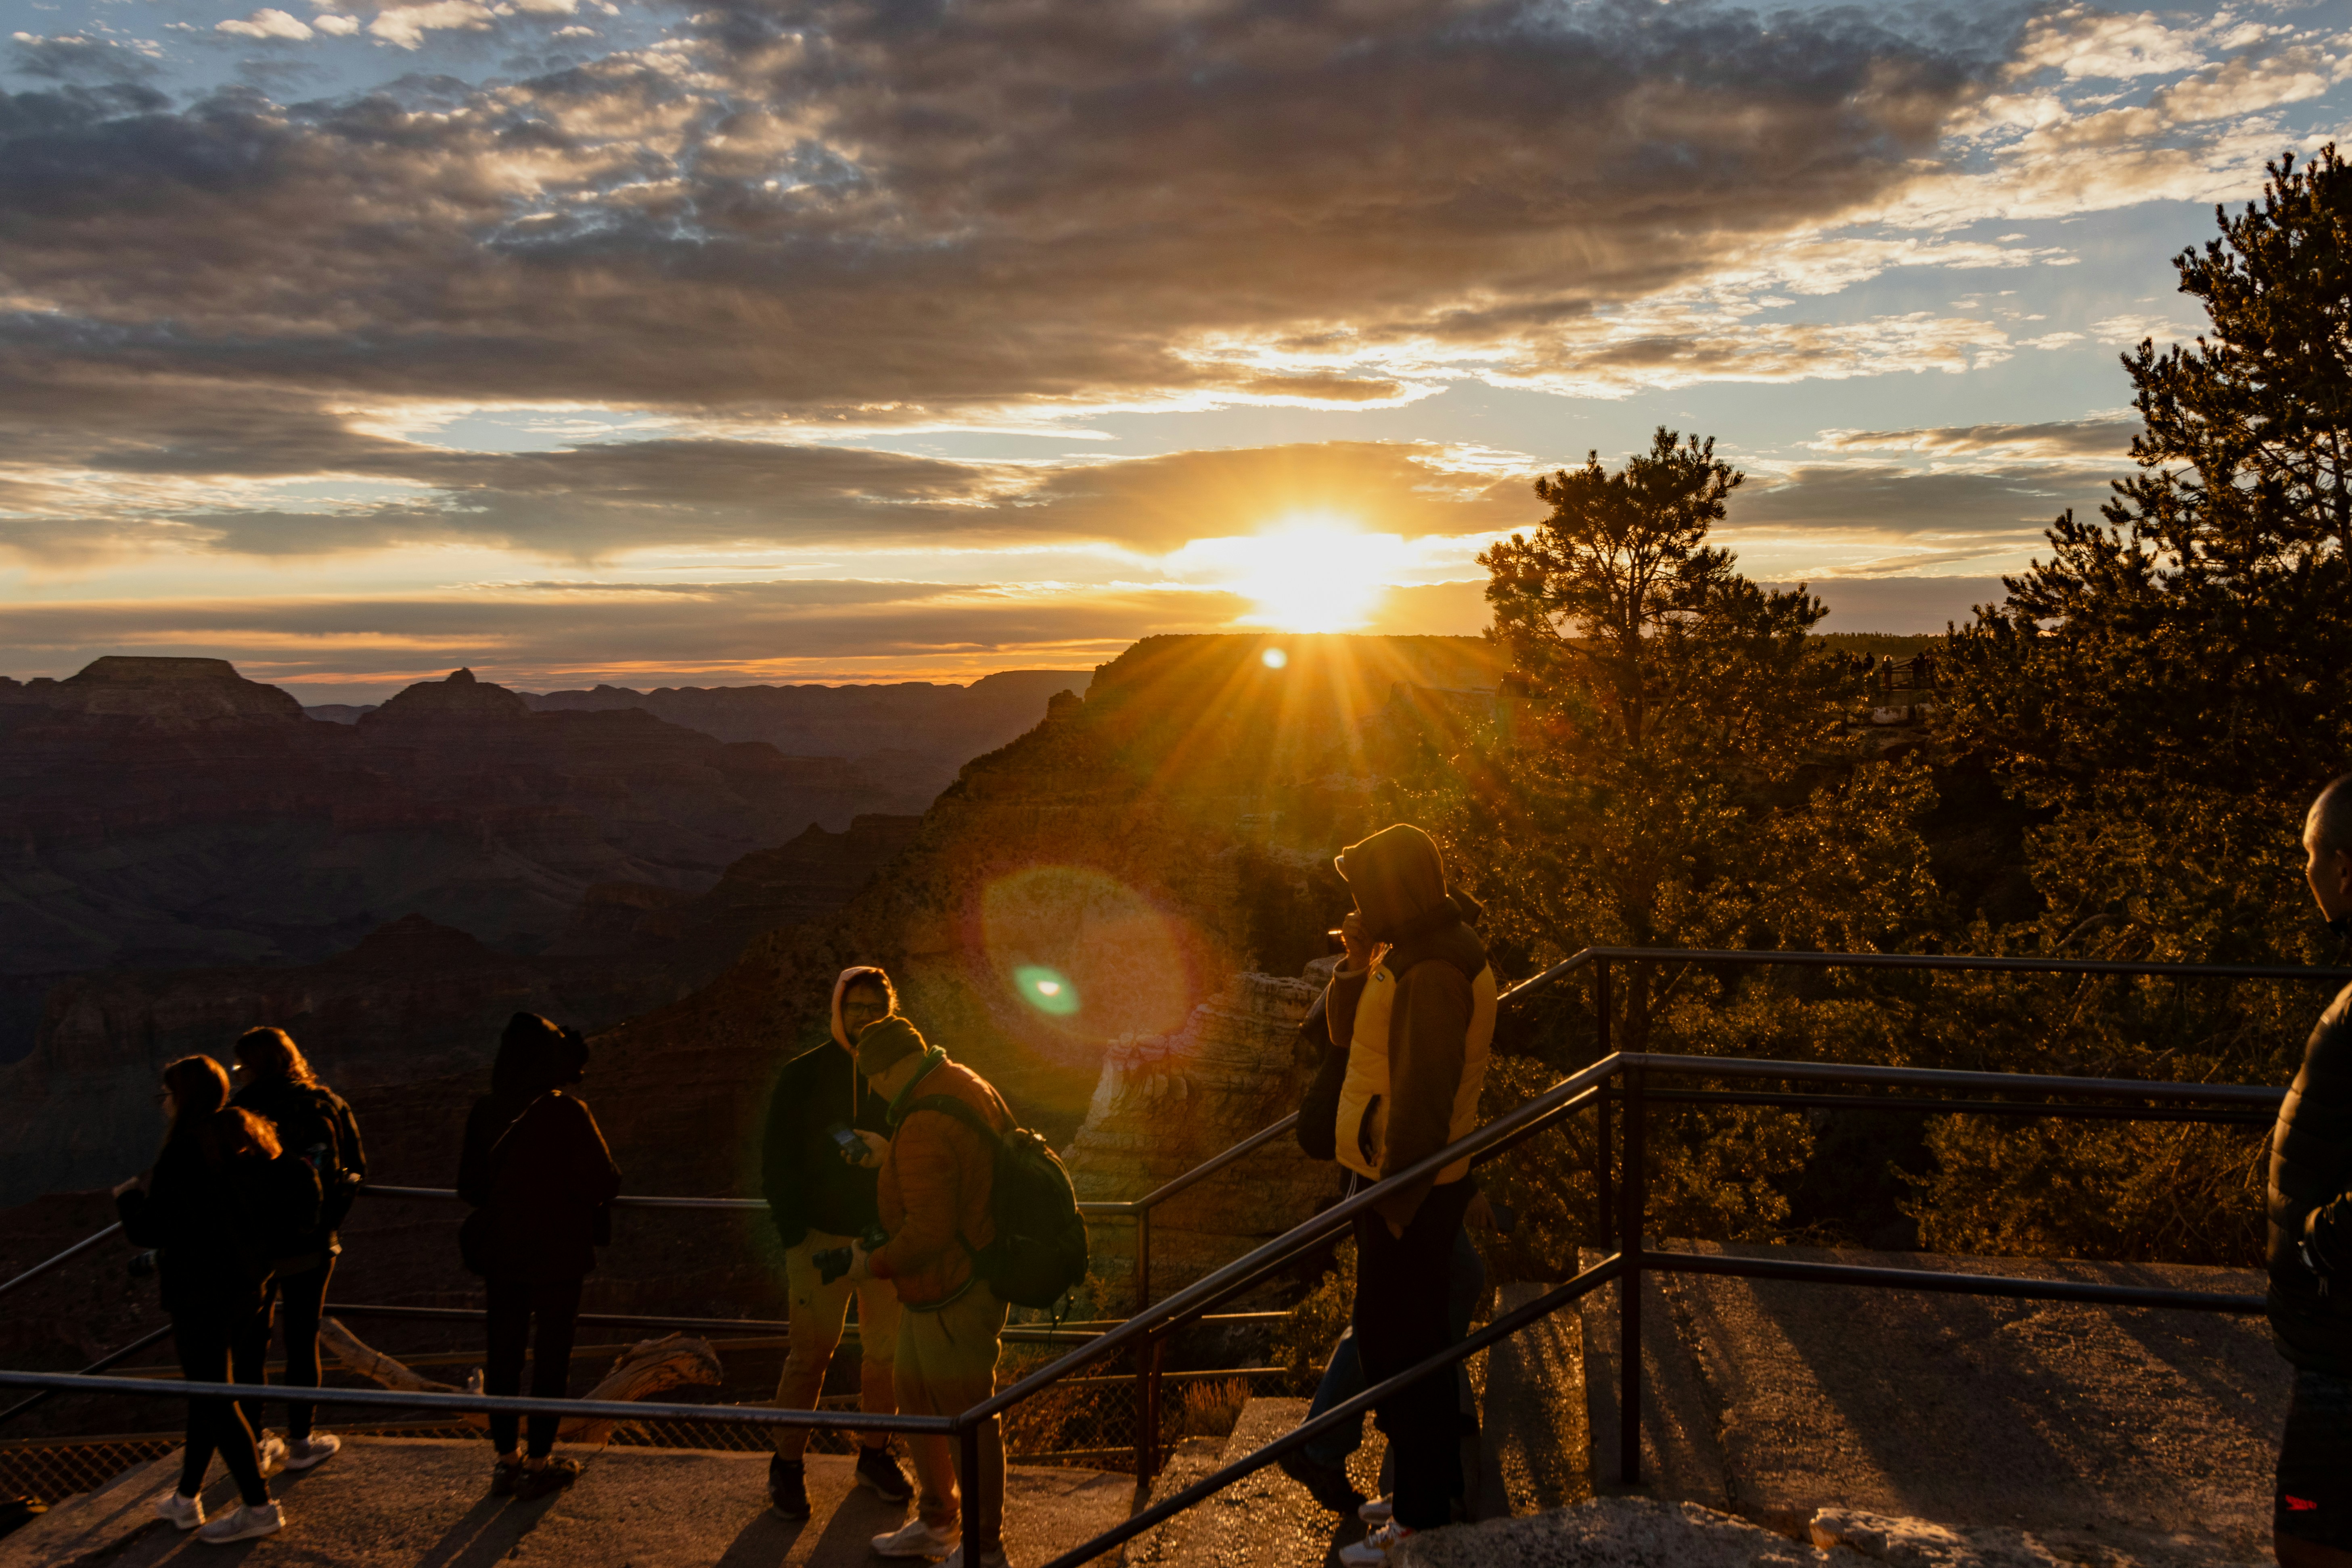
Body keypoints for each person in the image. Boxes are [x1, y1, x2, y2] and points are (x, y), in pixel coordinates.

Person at [1317, 824, 1496, 1564]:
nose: (1356, 904)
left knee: (1403, 1354)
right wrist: (1357, 963)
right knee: (1408, 1345)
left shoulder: (1431, 972)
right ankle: (1431, 1492)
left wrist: (1387, 1205)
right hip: (1399, 1183)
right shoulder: (1418, 947)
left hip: (1406, 1192)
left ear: (1392, 890)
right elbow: (1340, 1036)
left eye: (1364, 892)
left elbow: (1421, 1109)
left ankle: (1419, 1524)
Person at [113, 1055, 298, 1545]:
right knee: (211, 1392)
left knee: (215, 1396)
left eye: (166, 1094)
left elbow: (151, 1228)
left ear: (184, 1098)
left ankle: (258, 1507)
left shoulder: (185, 1153)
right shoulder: (249, 1137)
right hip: (249, 1284)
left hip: (201, 1292)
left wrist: (129, 1197)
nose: (164, 1104)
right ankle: (186, 1498)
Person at [852, 1014, 1014, 1568]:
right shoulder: (962, 1082)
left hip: (955, 1290)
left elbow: (928, 1229)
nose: (873, 1088)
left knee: (968, 1415)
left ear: (898, 1065)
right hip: (938, 1289)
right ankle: (938, 1521)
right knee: (916, 1395)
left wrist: (872, 1260)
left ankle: (984, 1548)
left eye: (874, 1076)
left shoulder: (923, 1119)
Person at [758, 966, 914, 1518]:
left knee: (884, 1359)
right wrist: (795, 1232)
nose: (865, 1015)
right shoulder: (804, 1075)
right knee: (810, 1357)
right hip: (818, 1240)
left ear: (889, 1010)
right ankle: (787, 1464)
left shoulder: (900, 1074)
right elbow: (775, 1158)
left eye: (875, 1005)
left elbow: (921, 1146)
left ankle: (875, 1454)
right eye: (855, 1006)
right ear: (838, 1010)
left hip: (882, 1243)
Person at [457, 1012, 620, 1501]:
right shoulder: (568, 1111)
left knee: (502, 1353)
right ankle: (539, 1462)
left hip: (504, 1249)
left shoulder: (486, 1110)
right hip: (559, 1252)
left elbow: (470, 1188)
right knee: (552, 1357)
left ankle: (504, 1462)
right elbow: (605, 1182)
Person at [2268, 776, 2352, 1568]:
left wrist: (2323, 1242)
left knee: (2308, 1532)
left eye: (2310, 852)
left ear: (2347, 869)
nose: (2306, 869)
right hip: (2336, 1323)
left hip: (2345, 1336)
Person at [229, 1026, 367, 1475]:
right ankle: (302, 1441)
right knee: (302, 1340)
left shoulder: (240, 1111)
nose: (238, 1074)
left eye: (241, 1066)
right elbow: (356, 1169)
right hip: (312, 1244)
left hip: (254, 1248)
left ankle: (253, 1441)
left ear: (255, 1066)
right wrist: (327, 1222)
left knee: (252, 1345)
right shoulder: (326, 1103)